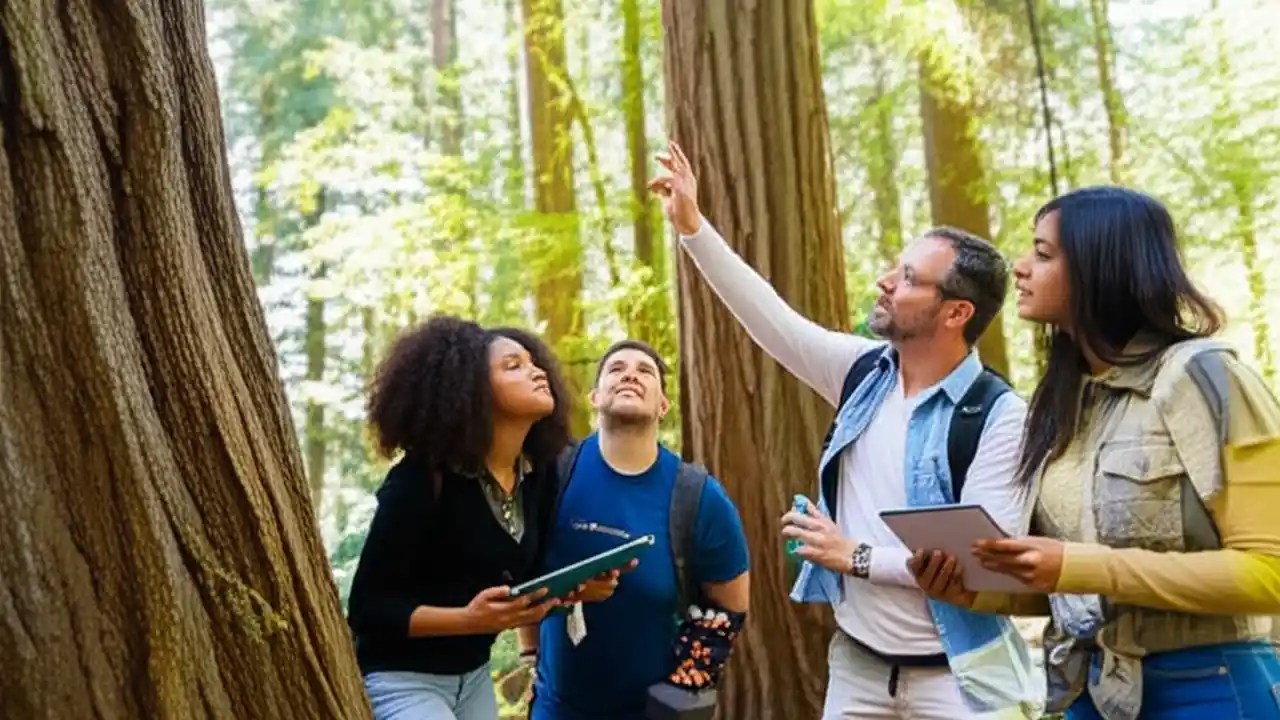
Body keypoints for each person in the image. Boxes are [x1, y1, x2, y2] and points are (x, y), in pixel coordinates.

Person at [648, 141, 1042, 719]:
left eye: (908, 277)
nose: (885, 281)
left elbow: (985, 560)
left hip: (958, 680)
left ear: (956, 313)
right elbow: (773, 321)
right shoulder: (863, 373)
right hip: (857, 669)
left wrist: (852, 555)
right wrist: (692, 226)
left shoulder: (1001, 416)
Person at [909, 186, 1280, 720]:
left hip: (1211, 685)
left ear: (1101, 267)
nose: (1019, 267)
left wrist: (1083, 566)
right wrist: (981, 591)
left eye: (1042, 253)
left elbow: (1268, 571)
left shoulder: (1208, 377)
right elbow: (1073, 582)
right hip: (1089, 690)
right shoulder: (1059, 403)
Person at [347, 316, 585, 720]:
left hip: (474, 678)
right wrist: (468, 620)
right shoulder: (421, 481)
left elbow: (527, 580)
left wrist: (577, 587)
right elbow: (369, 610)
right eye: (514, 366)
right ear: (471, 392)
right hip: (402, 679)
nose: (537, 371)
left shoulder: (538, 475)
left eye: (533, 362)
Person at [522, 339, 751, 720]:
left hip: (655, 711)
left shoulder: (698, 496)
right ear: (595, 397)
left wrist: (685, 686)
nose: (630, 374)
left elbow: (731, 606)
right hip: (557, 709)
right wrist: (530, 654)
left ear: (663, 406)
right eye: (616, 369)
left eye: (645, 371)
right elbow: (524, 573)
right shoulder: (554, 474)